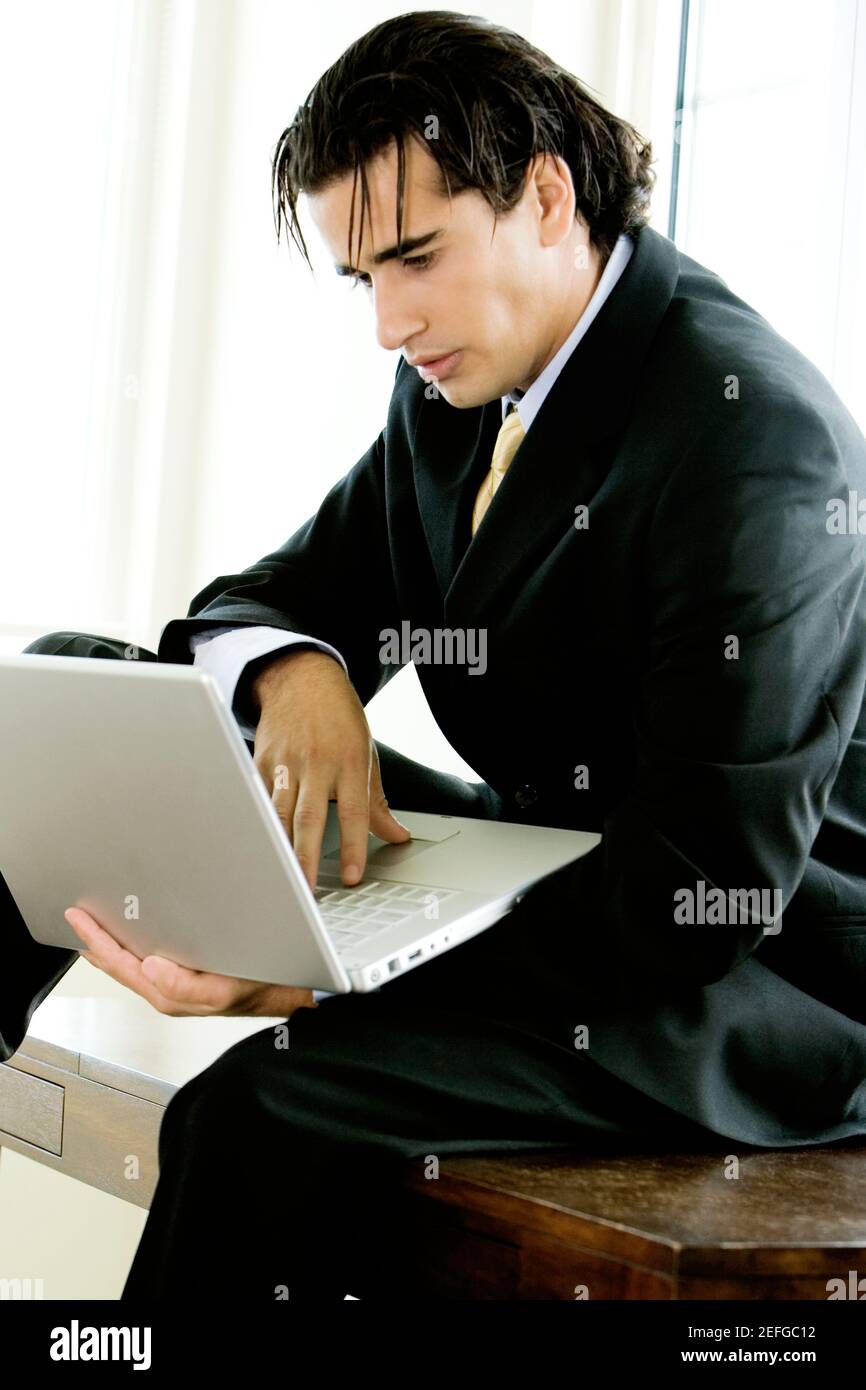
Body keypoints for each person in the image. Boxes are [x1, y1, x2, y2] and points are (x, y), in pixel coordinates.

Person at [4, 12, 866, 1301]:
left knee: (253, 1117)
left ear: (546, 191)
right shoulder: (462, 384)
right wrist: (302, 670)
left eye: (416, 257)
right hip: (548, 867)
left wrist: (325, 967)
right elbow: (261, 595)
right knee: (83, 684)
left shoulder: (756, 442)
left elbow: (701, 887)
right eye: (363, 278)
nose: (388, 323)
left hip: (744, 974)